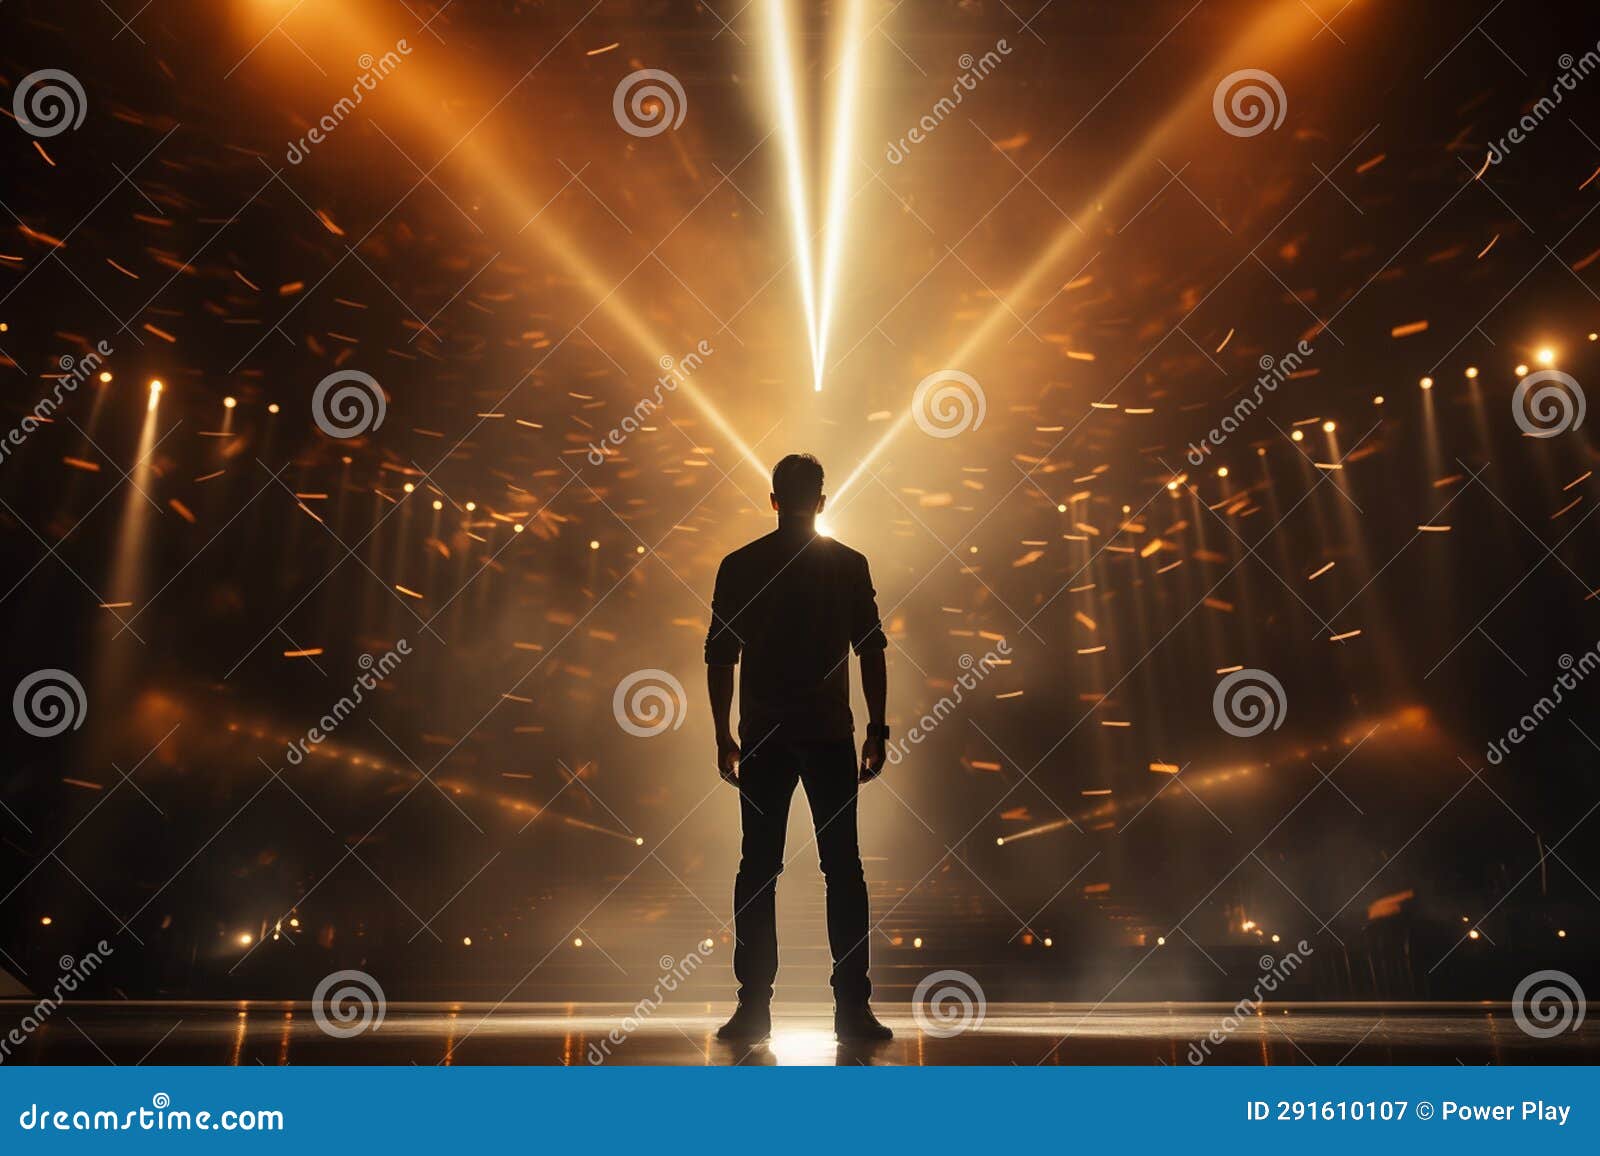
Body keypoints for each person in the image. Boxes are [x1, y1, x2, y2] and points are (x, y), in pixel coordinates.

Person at [704, 453, 893, 1043]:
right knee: (843, 869)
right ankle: (851, 1009)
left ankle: (754, 1006)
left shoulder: (741, 565)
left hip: (766, 735)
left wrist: (723, 734)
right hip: (828, 733)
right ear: (822, 499)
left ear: (774, 499)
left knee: (758, 869)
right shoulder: (847, 565)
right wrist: (876, 729)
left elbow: (719, 654)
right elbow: (871, 649)